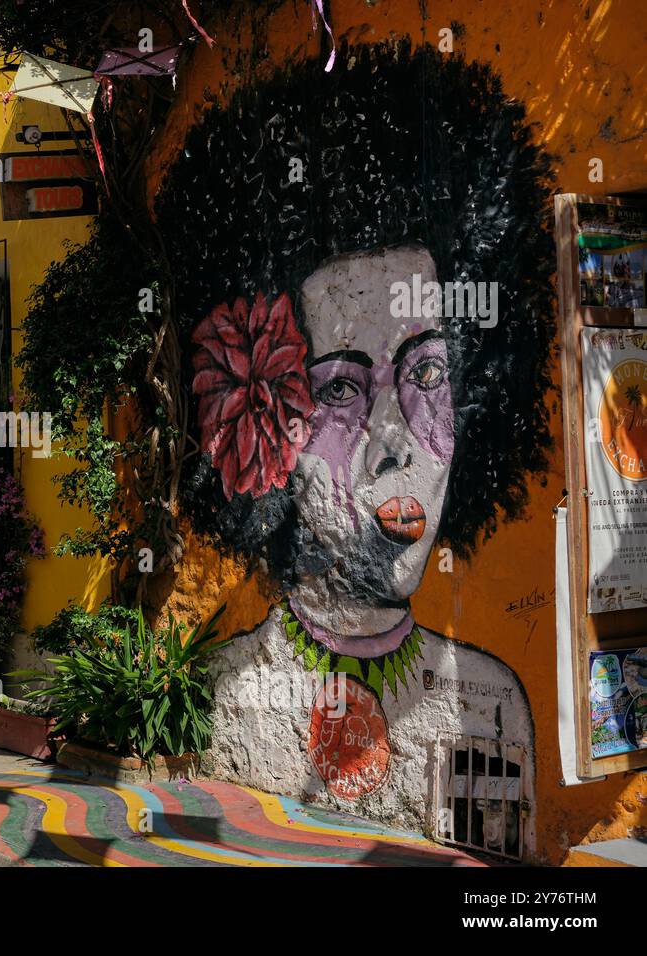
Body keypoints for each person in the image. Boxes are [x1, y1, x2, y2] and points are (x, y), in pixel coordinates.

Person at [159, 40, 556, 857]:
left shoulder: (489, 703)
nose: (396, 443)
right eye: (342, 388)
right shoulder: (222, 691)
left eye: (429, 372)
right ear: (263, 424)